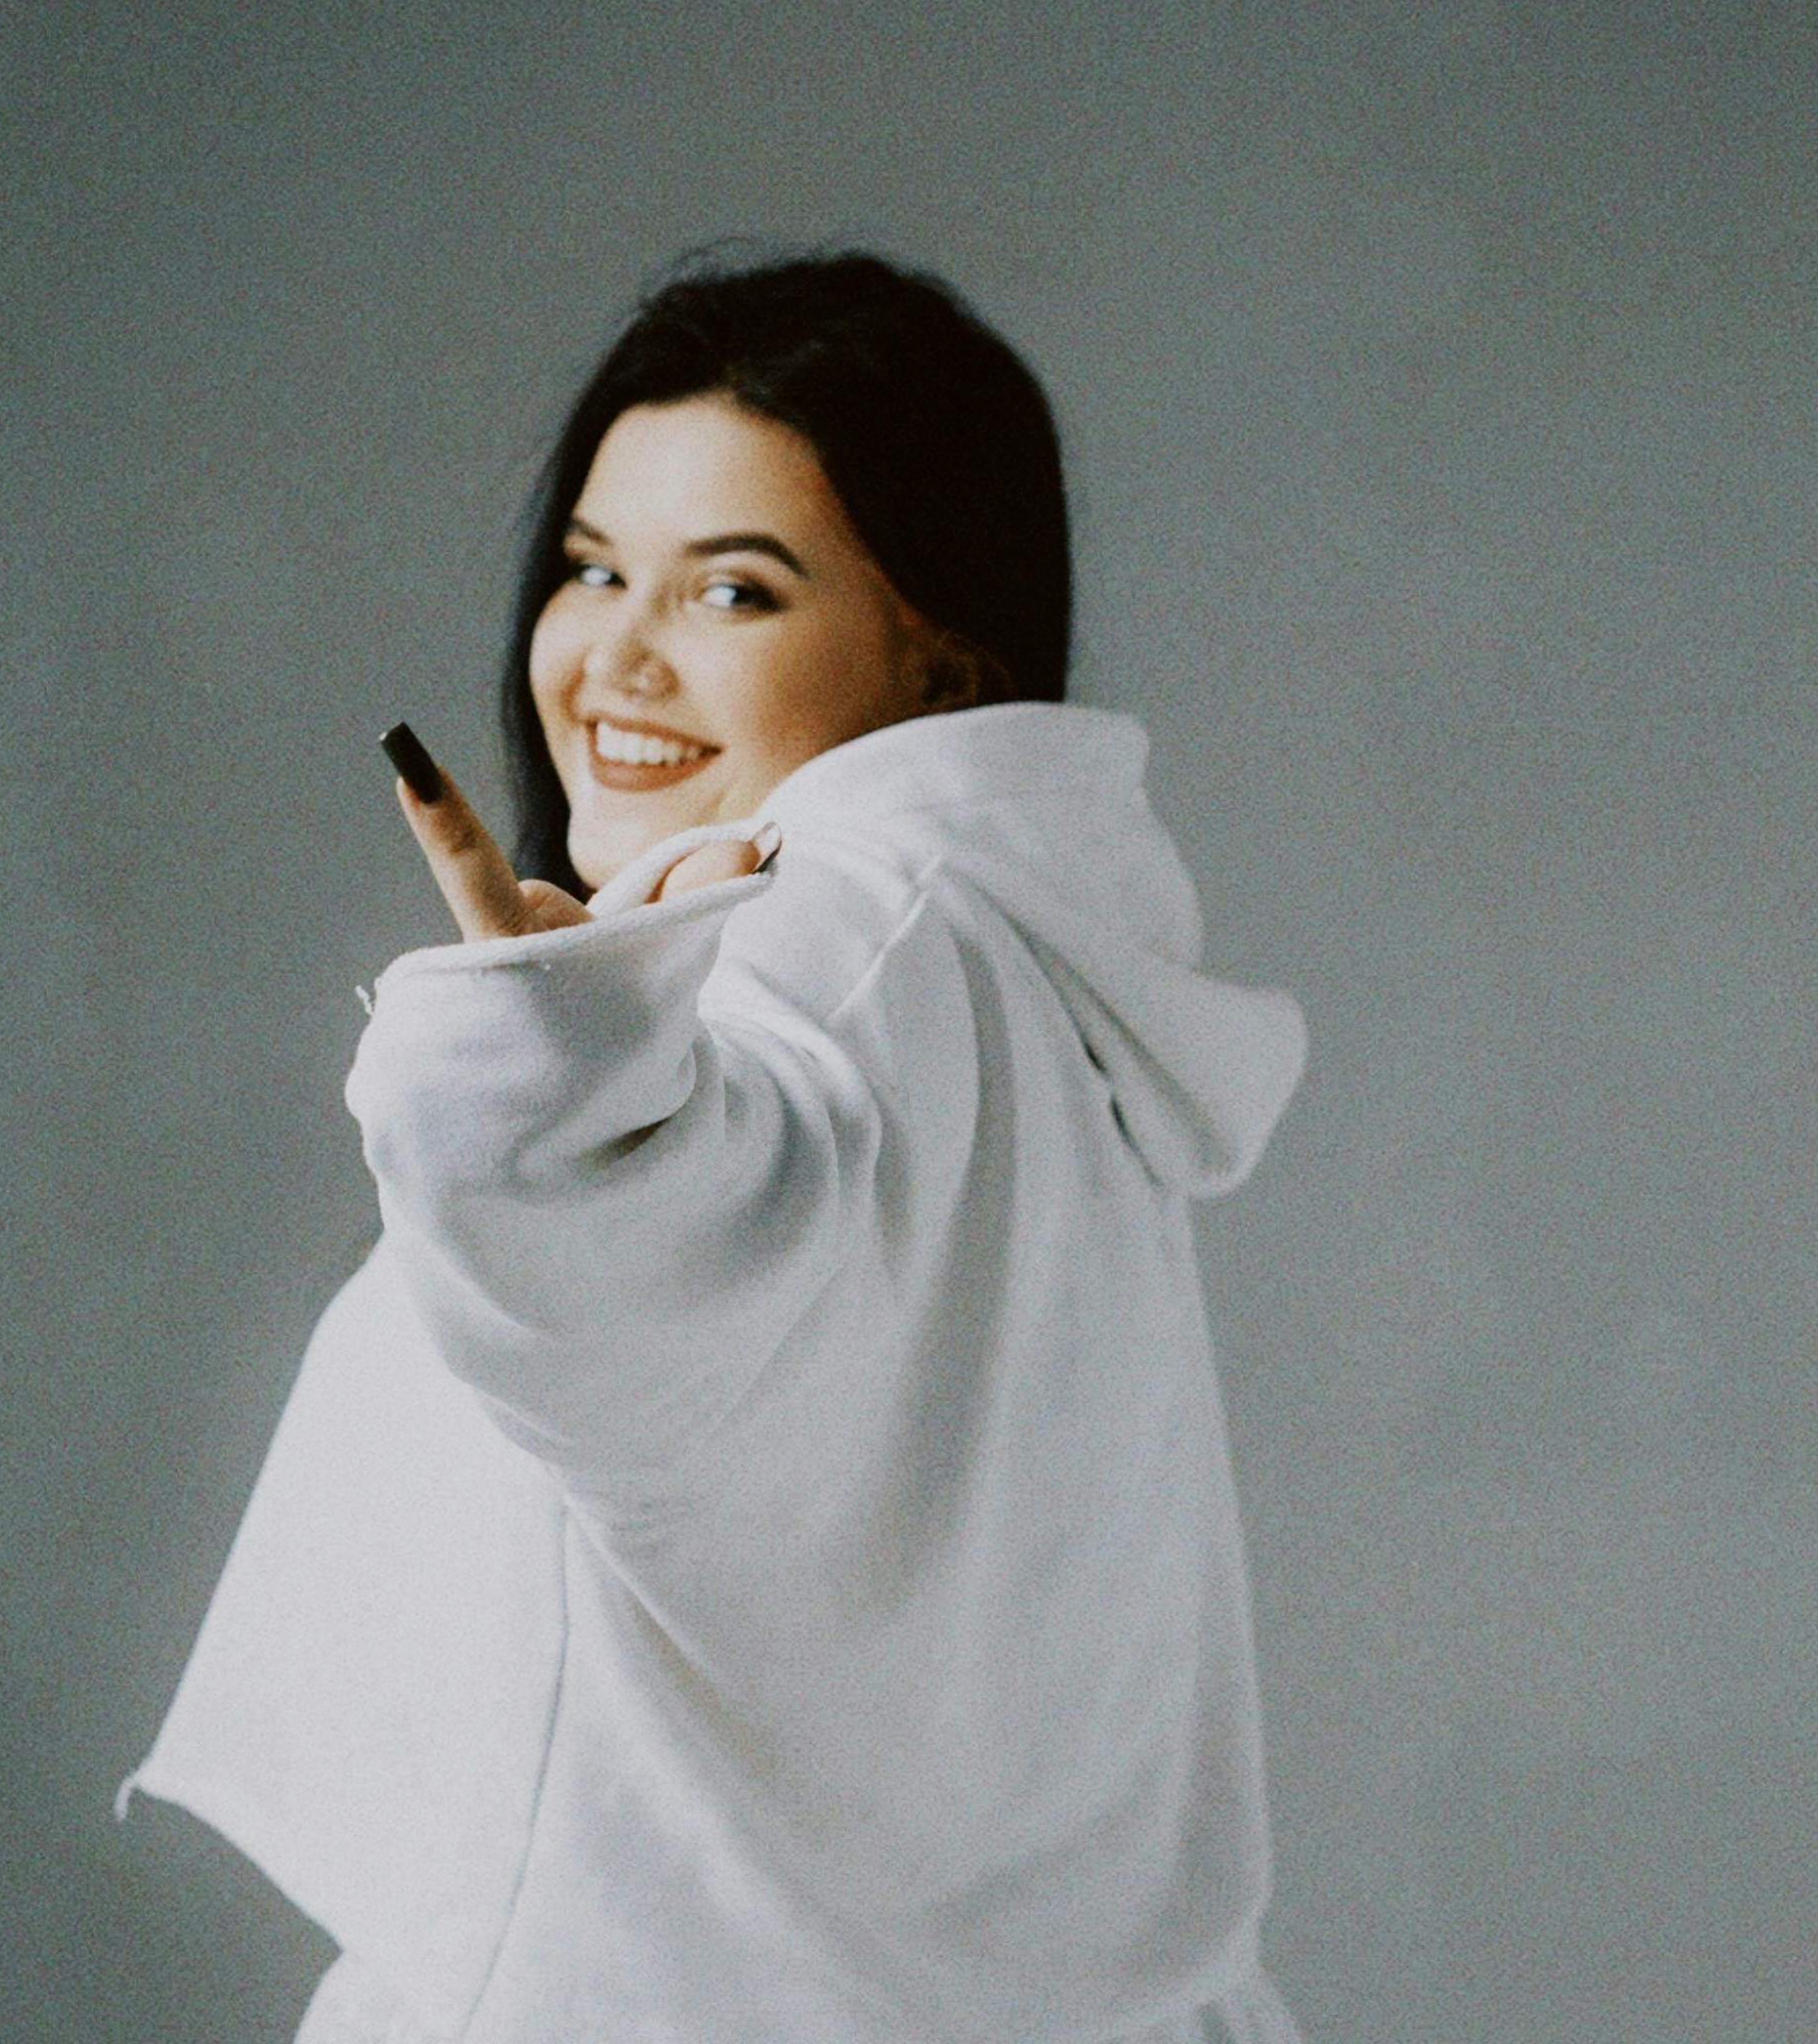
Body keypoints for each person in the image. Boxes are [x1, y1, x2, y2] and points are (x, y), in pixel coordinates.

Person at [122, 250, 1311, 2044]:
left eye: (734, 592)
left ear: (940, 660)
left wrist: (541, 1090)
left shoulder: (833, 940)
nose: (611, 656)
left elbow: (661, 1266)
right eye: (595, 567)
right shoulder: (1029, 974)